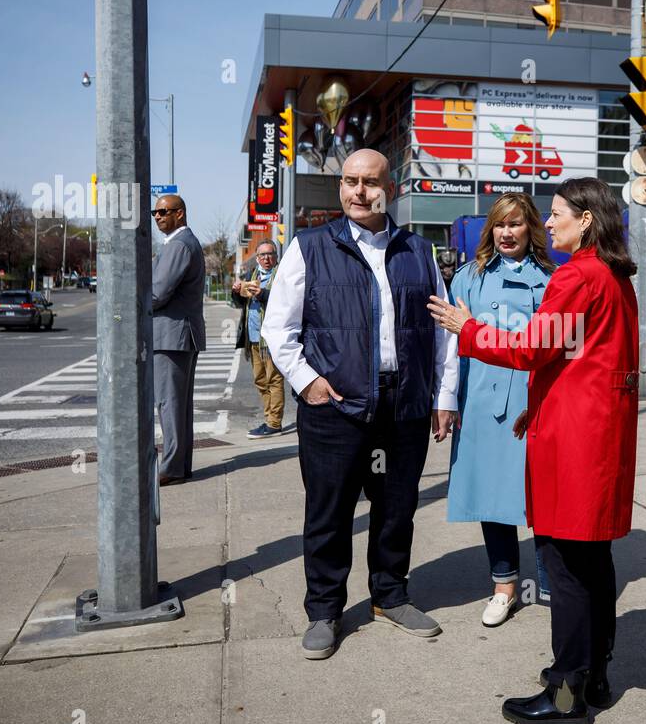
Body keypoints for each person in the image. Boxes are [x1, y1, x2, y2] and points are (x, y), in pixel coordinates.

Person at [429, 176, 639, 724]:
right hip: (595, 434)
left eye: (556, 213)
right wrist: (539, 405)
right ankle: (594, 674)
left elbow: (530, 348)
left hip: (573, 444)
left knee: (567, 569)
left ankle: (566, 692)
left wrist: (467, 328)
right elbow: (580, 360)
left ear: (586, 220)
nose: (548, 223)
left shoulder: (575, 276)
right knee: (594, 563)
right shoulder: (615, 277)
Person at [262, 148, 459, 660]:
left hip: (403, 407)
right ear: (340, 186)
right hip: (335, 408)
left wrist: (442, 396)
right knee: (328, 513)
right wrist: (308, 384)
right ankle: (325, 611)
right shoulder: (309, 247)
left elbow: (443, 333)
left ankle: (390, 596)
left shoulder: (419, 252)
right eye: (350, 180)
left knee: (397, 510)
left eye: (370, 182)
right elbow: (277, 330)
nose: (358, 191)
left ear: (388, 188)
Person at [446, 193, 554, 627]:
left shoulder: (554, 279)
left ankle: (550, 584)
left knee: (544, 496)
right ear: (490, 230)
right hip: (482, 401)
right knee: (493, 497)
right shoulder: (468, 278)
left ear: (532, 229)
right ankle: (504, 586)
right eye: (500, 225)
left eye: (516, 224)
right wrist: (445, 400)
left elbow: (564, 346)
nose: (507, 233)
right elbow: (449, 348)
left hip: (534, 401)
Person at [150, 194, 206, 487]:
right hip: (179, 335)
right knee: (178, 405)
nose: (158, 216)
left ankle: (172, 467)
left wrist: (130, 300)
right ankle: (180, 465)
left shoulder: (179, 244)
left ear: (180, 214)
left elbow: (157, 293)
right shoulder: (185, 243)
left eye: (163, 212)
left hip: (172, 336)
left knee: (169, 403)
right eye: (155, 212)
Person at [231, 239, 288, 439]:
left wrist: (262, 294)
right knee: (260, 380)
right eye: (262, 255)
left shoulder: (281, 275)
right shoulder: (251, 275)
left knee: (274, 379)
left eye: (270, 254)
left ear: (276, 256)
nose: (266, 258)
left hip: (271, 338)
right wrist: (236, 291)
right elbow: (240, 304)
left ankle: (274, 423)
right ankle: (268, 418)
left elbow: (285, 301)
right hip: (253, 338)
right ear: (256, 258)